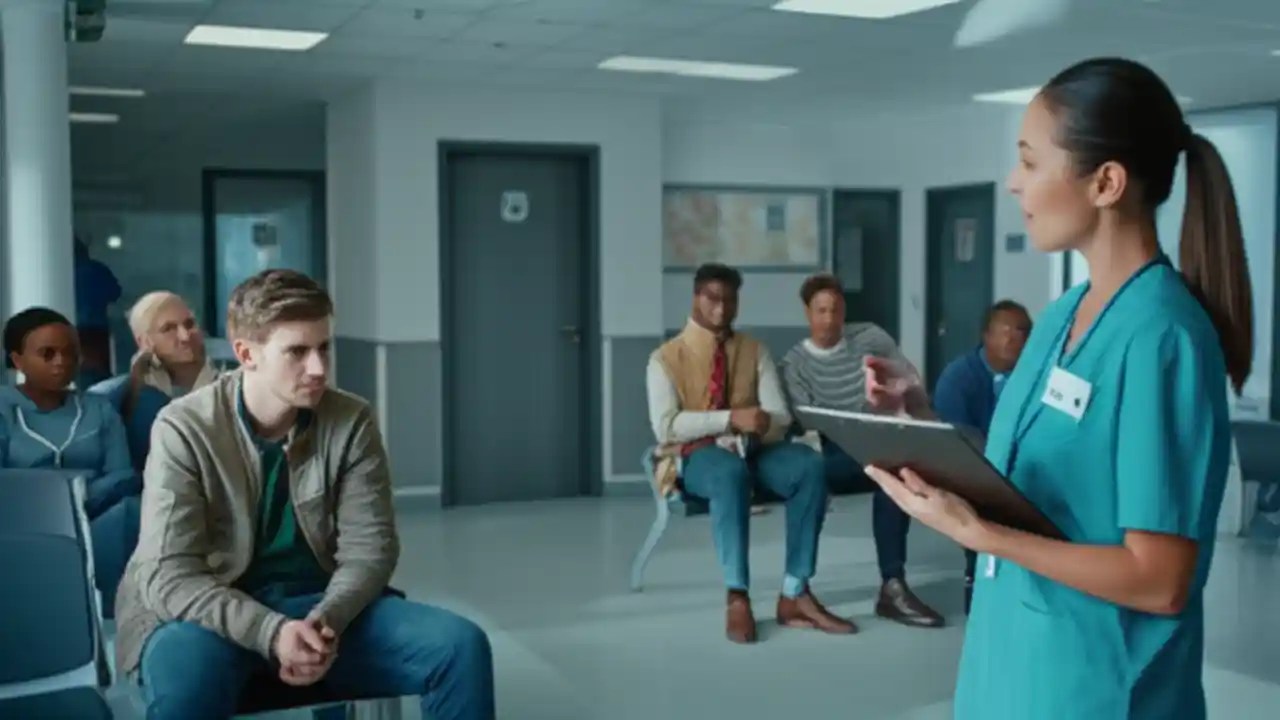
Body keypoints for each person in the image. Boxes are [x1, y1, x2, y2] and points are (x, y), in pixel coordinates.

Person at [863, 57, 1251, 719]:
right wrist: (921, 414)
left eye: (1030, 162)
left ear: (1106, 183)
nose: (1014, 183)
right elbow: (1020, 477)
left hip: (1101, 691)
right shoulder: (1059, 320)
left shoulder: (1163, 338)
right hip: (1012, 669)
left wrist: (985, 537)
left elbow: (1160, 581)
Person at [113, 270, 495, 719]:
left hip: (320, 603)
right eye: (297, 351)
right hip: (209, 613)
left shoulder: (350, 420)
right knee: (188, 690)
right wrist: (273, 632)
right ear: (246, 354)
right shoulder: (184, 426)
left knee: (460, 646)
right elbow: (171, 575)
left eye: (324, 348)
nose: (318, 369)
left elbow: (370, 550)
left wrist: (325, 622)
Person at [646, 262, 853, 644]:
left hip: (753, 450)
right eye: (713, 298)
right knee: (728, 473)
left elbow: (779, 416)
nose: (722, 308)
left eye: (730, 300)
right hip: (696, 457)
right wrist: (728, 419)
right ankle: (737, 595)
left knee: (809, 465)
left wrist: (752, 429)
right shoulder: (664, 359)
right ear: (696, 298)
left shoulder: (755, 351)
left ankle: (795, 592)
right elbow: (666, 427)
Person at [779, 273, 944, 628]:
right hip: (834, 453)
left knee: (894, 469)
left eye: (836, 310)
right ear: (807, 313)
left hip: (879, 440)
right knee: (815, 472)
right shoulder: (794, 364)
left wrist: (896, 392)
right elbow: (807, 425)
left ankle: (893, 587)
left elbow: (909, 380)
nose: (829, 319)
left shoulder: (870, 337)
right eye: (821, 311)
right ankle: (797, 591)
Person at [1, 307, 141, 617]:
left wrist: (79, 496)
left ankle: (118, 622)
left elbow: (122, 475)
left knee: (132, 512)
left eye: (70, 353)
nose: (61, 362)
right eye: (47, 354)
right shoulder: (4, 409)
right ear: (18, 360)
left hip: (93, 519)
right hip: (23, 525)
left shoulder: (99, 409)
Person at [931, 299, 1032, 613]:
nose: (1012, 339)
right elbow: (957, 445)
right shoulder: (958, 377)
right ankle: (977, 580)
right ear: (985, 336)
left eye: (1021, 332)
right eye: (1004, 331)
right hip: (974, 470)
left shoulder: (1036, 376)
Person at [91, 291, 221, 466]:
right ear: (144, 341)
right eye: (169, 329)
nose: (185, 336)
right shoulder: (122, 398)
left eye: (189, 324)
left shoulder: (228, 388)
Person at [73, 236, 124, 388]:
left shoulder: (63, 272)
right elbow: (116, 293)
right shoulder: (98, 269)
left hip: (76, 326)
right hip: (98, 326)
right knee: (98, 368)